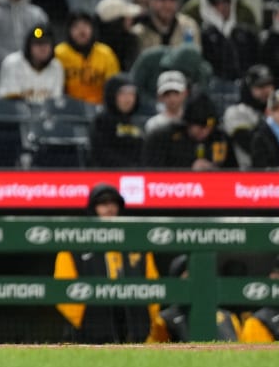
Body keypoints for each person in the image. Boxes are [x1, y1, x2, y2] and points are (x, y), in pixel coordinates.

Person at [53, 185, 166, 344]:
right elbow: (62, 289)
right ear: (93, 208)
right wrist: (83, 322)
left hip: (135, 327)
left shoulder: (137, 243)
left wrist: (148, 321)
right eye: (103, 203)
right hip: (91, 330)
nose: (109, 208)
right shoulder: (75, 246)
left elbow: (153, 284)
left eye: (113, 203)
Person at [142, 93, 235, 169]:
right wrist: (189, 168)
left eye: (209, 128)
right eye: (200, 127)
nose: (205, 132)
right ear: (189, 124)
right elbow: (153, 170)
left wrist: (212, 169)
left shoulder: (219, 137)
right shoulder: (165, 137)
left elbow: (234, 171)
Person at [55, 12, 120, 106]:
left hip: (99, 109)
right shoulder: (59, 53)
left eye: (86, 25)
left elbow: (113, 88)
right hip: (67, 109)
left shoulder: (106, 53)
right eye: (76, 27)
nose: (81, 31)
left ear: (93, 29)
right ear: (69, 31)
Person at [222, 64, 275, 167]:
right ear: (248, 88)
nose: (266, 90)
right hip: (247, 174)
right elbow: (251, 145)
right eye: (260, 86)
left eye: (268, 85)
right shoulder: (236, 112)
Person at [0, 26, 64, 103]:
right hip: (13, 112)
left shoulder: (56, 66)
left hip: (45, 114)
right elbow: (9, 101)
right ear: (28, 46)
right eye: (38, 43)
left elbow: (55, 101)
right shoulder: (12, 63)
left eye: (47, 43)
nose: (43, 48)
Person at [89, 75, 144, 168]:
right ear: (112, 94)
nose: (128, 99)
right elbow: (101, 153)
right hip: (109, 174)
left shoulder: (140, 122)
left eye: (132, 94)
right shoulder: (101, 122)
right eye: (122, 93)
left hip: (139, 175)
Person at [133, 0, 200, 53]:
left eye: (172, 0)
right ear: (151, 1)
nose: (167, 5)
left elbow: (194, 57)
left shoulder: (188, 26)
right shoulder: (140, 31)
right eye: (162, 0)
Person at [144, 70, 188, 134]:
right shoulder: (153, 124)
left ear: (185, 93)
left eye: (176, 93)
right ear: (159, 96)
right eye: (167, 94)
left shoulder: (192, 122)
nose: (172, 98)